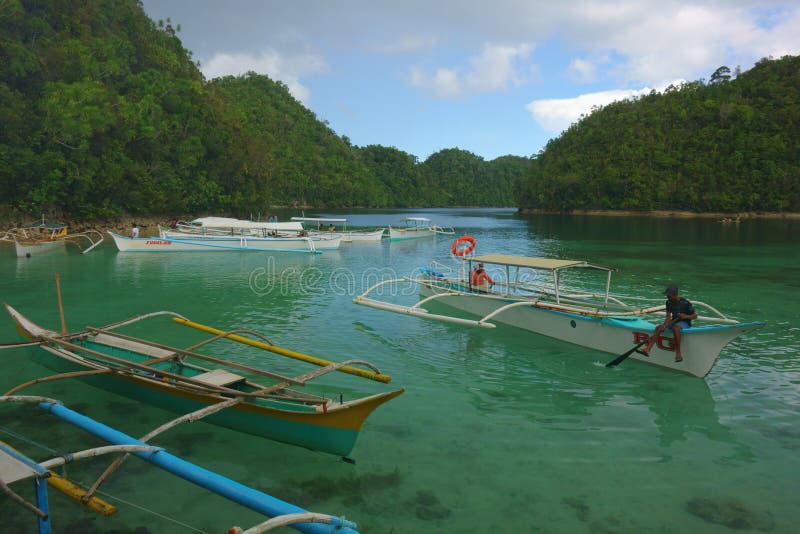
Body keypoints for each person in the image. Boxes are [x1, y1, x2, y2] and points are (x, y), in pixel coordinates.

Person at [641, 286, 697, 362]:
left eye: (669, 296)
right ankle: (648, 349)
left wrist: (685, 316)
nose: (667, 297)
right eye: (667, 296)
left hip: (685, 322)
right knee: (659, 327)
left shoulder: (685, 303)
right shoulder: (668, 302)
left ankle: (678, 353)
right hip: (674, 321)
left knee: (676, 328)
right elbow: (668, 317)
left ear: (675, 295)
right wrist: (665, 325)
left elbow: (695, 316)